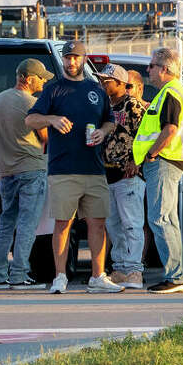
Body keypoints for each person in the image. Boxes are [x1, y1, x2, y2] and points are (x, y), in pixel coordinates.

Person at [26, 41, 119, 293]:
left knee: (98, 223)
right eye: (67, 58)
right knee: (63, 223)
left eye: (76, 57)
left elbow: (109, 120)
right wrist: (52, 119)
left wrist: (102, 132)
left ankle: (98, 276)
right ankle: (60, 276)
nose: (71, 62)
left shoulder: (96, 90)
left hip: (94, 168)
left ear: (83, 59)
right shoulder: (53, 89)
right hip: (63, 169)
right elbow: (30, 119)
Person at [134, 47, 183, 293]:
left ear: (164, 69)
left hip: (164, 161)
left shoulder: (170, 92)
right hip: (168, 161)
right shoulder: (170, 92)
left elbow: (169, 130)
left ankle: (176, 276)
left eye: (151, 66)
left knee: (160, 218)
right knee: (168, 218)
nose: (147, 70)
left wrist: (151, 153)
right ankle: (175, 274)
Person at [0, 58, 52, 289]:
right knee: (27, 223)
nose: (43, 81)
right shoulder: (33, 103)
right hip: (31, 169)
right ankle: (19, 274)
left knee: (6, 223)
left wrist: (7, 149)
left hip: (5, 171)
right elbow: (45, 138)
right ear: (28, 78)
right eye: (41, 77)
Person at [95, 65, 148, 288]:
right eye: (102, 80)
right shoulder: (103, 106)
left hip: (128, 174)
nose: (102, 84)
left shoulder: (133, 106)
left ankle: (135, 270)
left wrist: (137, 160)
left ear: (119, 83)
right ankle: (119, 268)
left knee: (132, 224)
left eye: (107, 81)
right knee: (113, 224)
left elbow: (147, 135)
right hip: (106, 173)